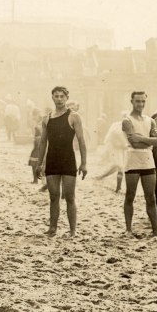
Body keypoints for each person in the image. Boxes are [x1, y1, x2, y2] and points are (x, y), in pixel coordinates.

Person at [38, 87, 88, 237]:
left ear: (67, 98)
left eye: (62, 96)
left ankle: (72, 230)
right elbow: (42, 142)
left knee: (70, 197)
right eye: (56, 96)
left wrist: (84, 163)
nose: (59, 99)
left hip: (68, 160)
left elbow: (81, 140)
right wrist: (40, 163)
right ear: (52, 98)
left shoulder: (74, 116)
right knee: (53, 197)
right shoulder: (46, 118)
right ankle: (53, 228)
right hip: (52, 161)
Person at [121, 90, 157, 239]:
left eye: (143, 101)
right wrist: (149, 140)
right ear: (132, 101)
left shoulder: (150, 120)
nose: (140, 104)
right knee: (130, 195)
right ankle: (128, 230)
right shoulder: (127, 120)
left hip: (148, 160)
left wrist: (142, 138)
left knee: (151, 197)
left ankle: (156, 230)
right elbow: (133, 142)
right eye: (137, 101)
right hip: (132, 158)